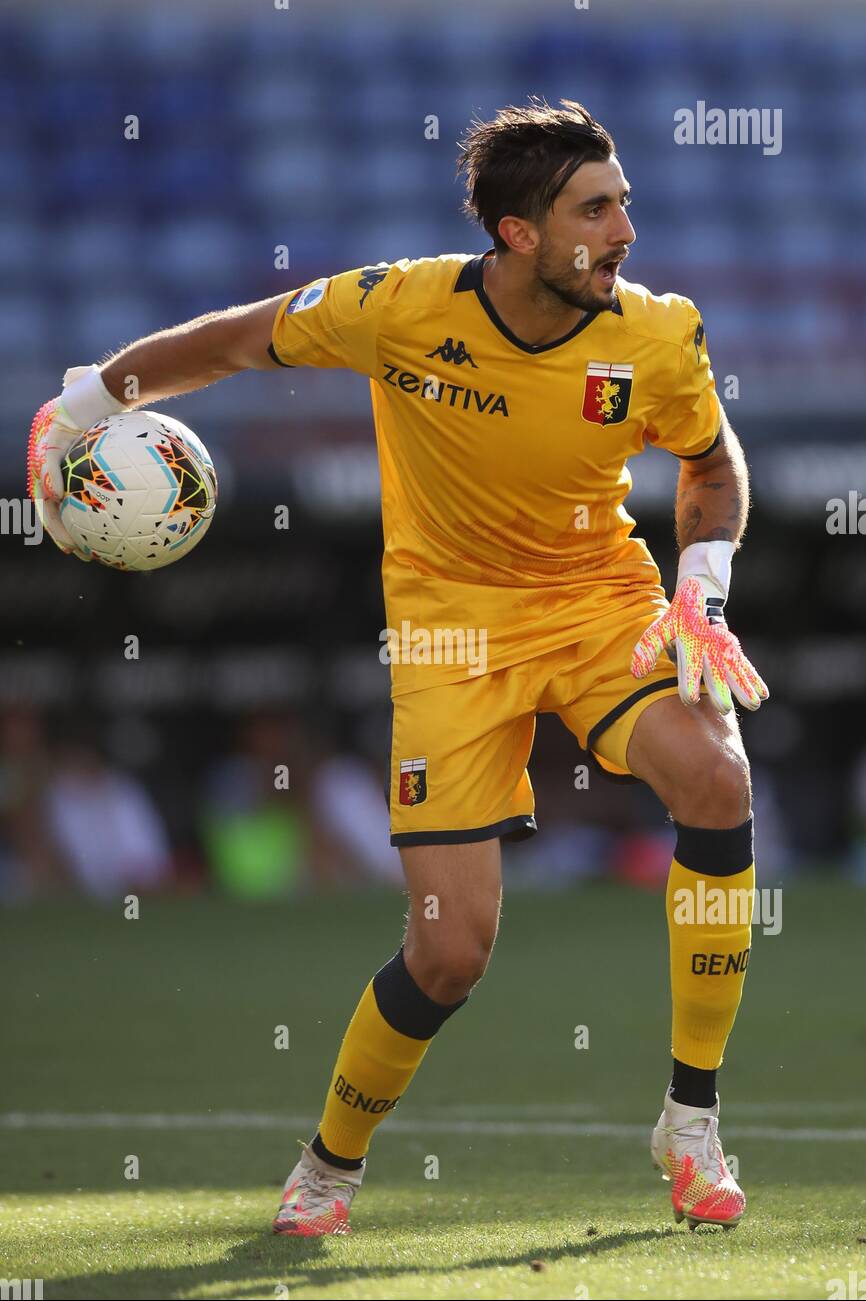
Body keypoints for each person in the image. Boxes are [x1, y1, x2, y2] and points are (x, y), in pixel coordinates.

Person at [28, 98, 768, 1237]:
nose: (626, 228)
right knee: (448, 949)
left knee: (717, 778)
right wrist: (78, 406)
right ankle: (329, 1163)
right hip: (450, 638)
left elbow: (710, 464)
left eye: (622, 201)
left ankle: (689, 1118)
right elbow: (233, 339)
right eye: (596, 209)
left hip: (595, 604)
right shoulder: (400, 307)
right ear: (518, 233)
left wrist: (698, 587)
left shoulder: (655, 332)